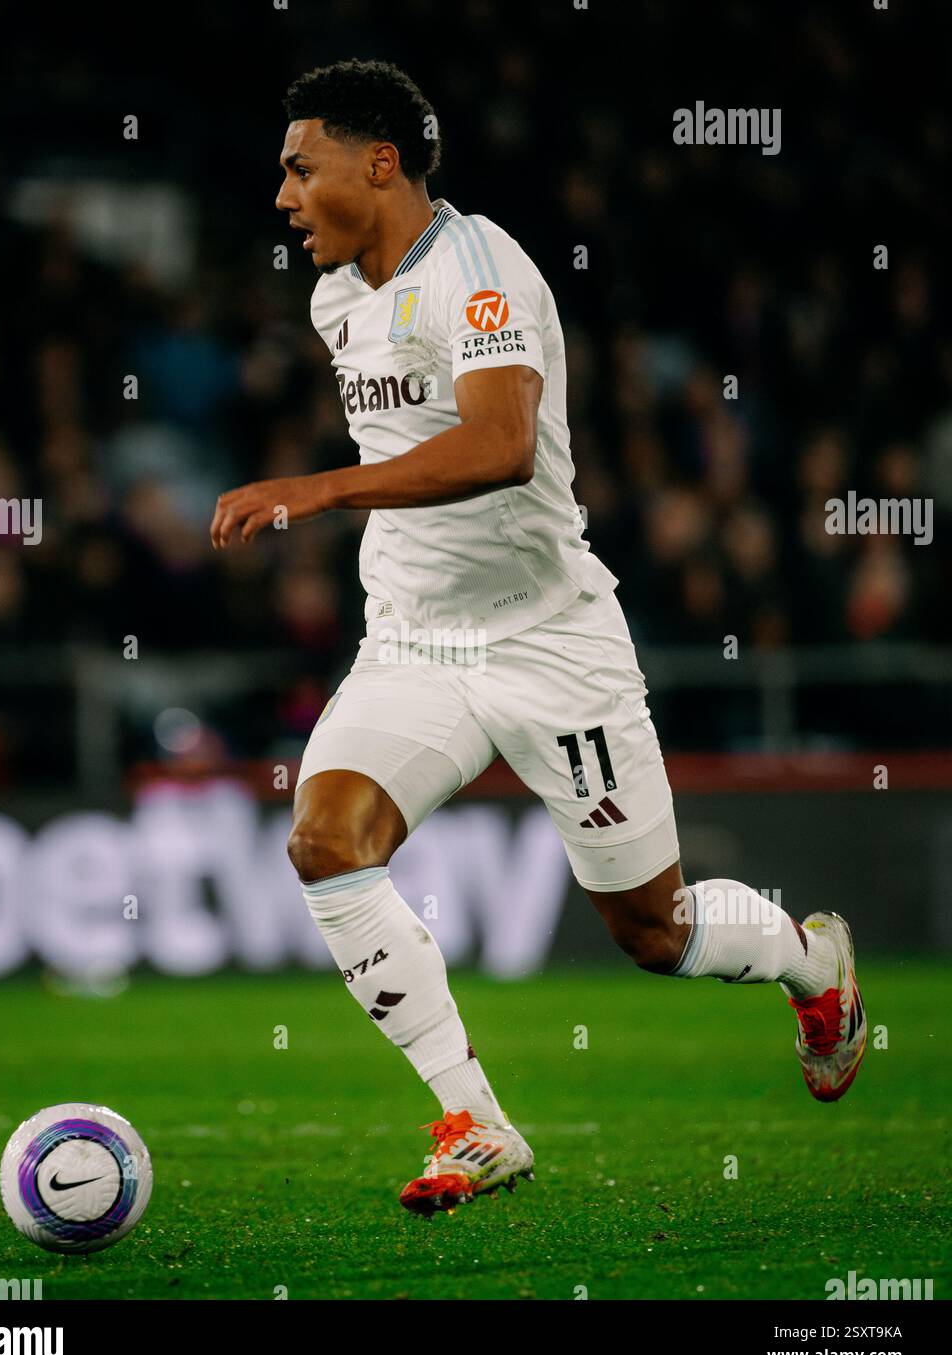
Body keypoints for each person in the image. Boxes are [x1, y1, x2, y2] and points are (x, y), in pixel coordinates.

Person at [209, 59, 866, 1217]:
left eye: (297, 167)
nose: (281, 196)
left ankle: (812, 965)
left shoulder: (480, 269)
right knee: (324, 843)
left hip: (549, 642)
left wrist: (319, 489)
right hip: (411, 642)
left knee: (651, 932)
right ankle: (475, 1119)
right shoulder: (332, 299)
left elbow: (500, 445)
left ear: (380, 163)